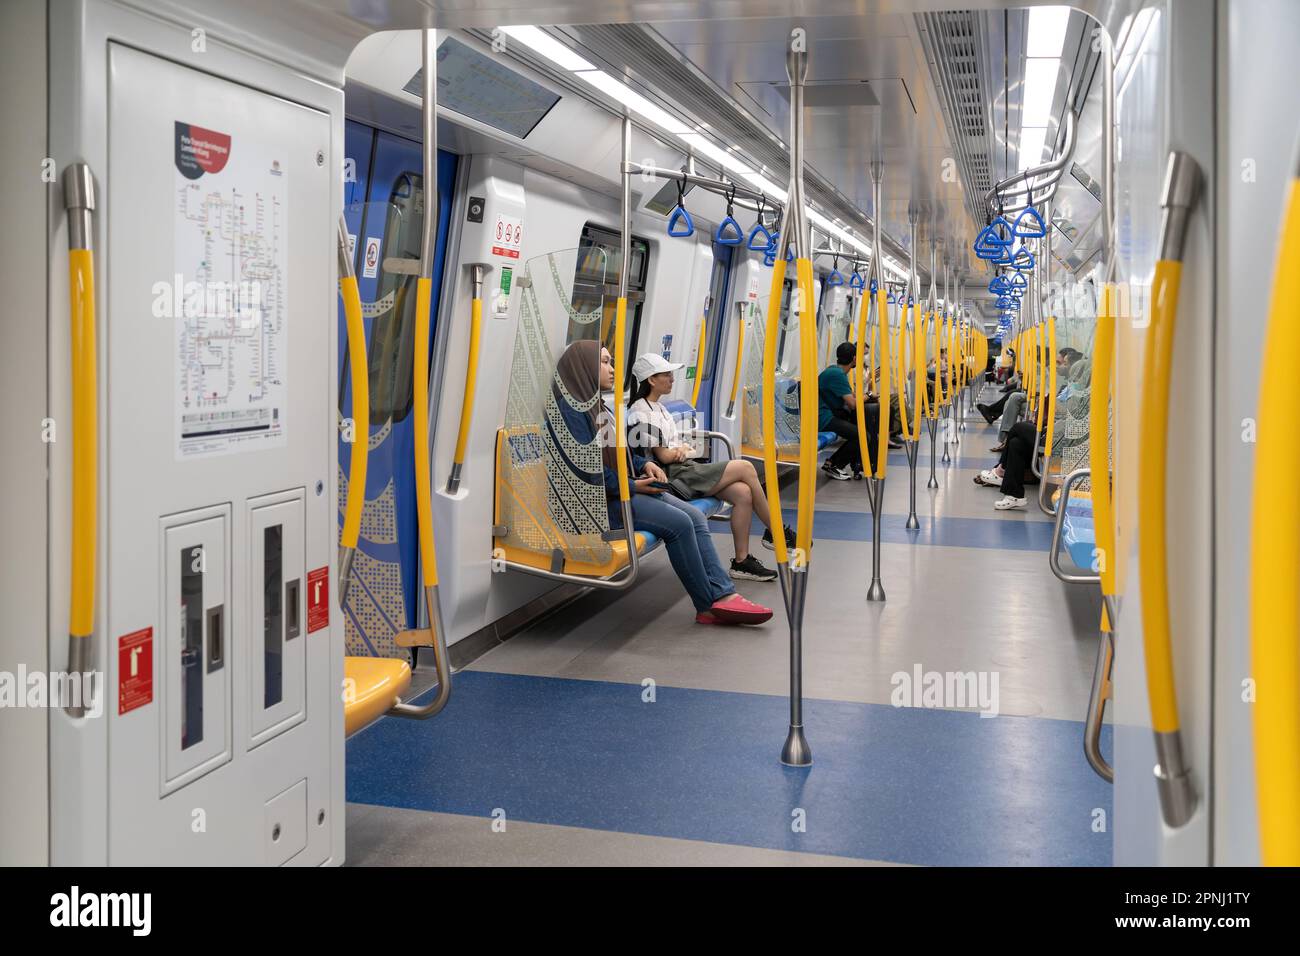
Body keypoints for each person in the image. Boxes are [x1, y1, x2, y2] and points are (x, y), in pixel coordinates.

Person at [548, 340, 772, 625]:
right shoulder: (569, 414)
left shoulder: (598, 408)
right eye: (604, 362)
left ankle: (723, 594)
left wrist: (646, 464)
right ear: (582, 368)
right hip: (594, 506)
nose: (613, 369)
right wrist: (633, 485)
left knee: (693, 515)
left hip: (617, 492)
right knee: (679, 525)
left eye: (611, 361)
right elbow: (585, 474)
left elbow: (623, 454)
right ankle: (708, 604)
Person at [626, 352, 795, 582]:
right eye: (666, 375)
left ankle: (741, 562)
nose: (672, 379)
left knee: (743, 493)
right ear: (651, 380)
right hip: (671, 476)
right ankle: (777, 532)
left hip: (681, 468)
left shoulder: (659, 408)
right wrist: (679, 451)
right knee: (745, 468)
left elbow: (672, 448)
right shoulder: (640, 410)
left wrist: (681, 450)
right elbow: (663, 457)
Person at [818, 342, 880, 480]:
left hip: (828, 414)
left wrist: (866, 395)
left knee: (862, 428)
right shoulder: (837, 374)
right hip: (822, 418)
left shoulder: (835, 371)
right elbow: (853, 404)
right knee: (862, 436)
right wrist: (869, 395)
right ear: (854, 358)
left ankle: (857, 463)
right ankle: (834, 465)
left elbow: (851, 395)